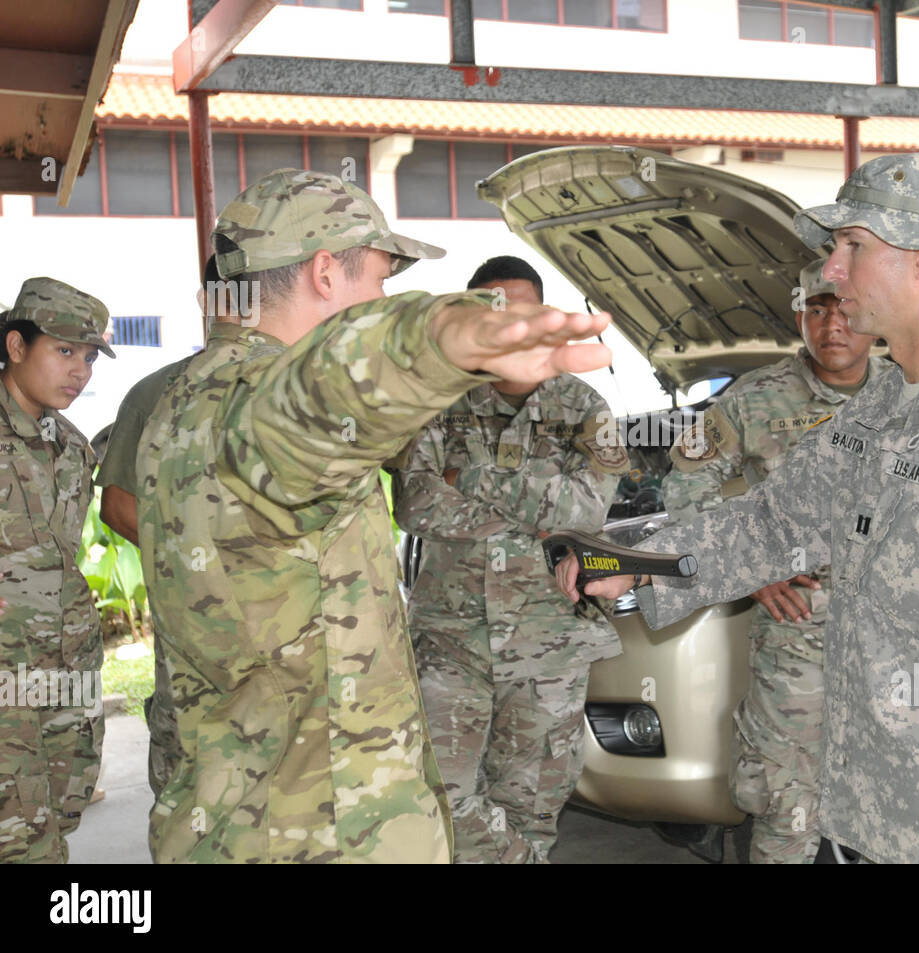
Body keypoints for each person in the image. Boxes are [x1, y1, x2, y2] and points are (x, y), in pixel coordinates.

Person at [558, 151, 919, 863]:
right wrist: (625, 560)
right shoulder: (885, 403)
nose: (831, 272)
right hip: (874, 814)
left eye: (853, 247)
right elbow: (773, 522)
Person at [135, 168, 613, 864]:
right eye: (382, 280)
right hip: (316, 828)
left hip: (246, 809)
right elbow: (324, 394)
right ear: (326, 272)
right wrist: (439, 339)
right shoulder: (261, 408)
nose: (385, 296)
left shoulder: (186, 399)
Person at [394, 254, 628, 863]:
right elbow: (416, 503)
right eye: (493, 313)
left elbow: (584, 512)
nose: (509, 326)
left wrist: (469, 476)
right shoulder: (437, 402)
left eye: (522, 312)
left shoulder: (586, 409)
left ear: (546, 318)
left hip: (546, 646)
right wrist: (530, 515)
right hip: (450, 641)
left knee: (533, 805)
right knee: (438, 793)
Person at [660, 257, 884, 863]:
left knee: (898, 808)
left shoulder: (914, 394)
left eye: (846, 308)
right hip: (798, 637)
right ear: (800, 315)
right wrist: (751, 568)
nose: (833, 324)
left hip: (898, 638)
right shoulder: (755, 399)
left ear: (876, 313)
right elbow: (684, 491)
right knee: (789, 808)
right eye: (818, 309)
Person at [97, 257, 236, 818]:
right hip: (196, 633)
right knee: (191, 791)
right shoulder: (158, 392)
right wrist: (199, 569)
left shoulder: (311, 389)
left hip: (305, 648)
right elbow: (119, 505)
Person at [0, 277, 116, 863]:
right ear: (17, 347)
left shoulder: (73, 447)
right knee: (16, 837)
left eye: (90, 356)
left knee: (59, 813)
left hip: (67, 668)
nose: (81, 370)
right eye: (65, 351)